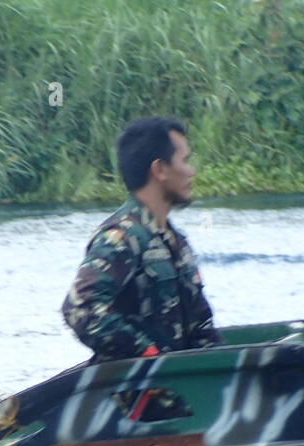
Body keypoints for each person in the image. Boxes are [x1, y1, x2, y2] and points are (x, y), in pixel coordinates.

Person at [62, 117, 219, 362]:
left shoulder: (176, 242)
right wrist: (145, 354)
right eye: (185, 161)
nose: (192, 170)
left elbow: (201, 325)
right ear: (159, 170)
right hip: (134, 396)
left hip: (182, 392)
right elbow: (81, 308)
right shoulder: (121, 238)